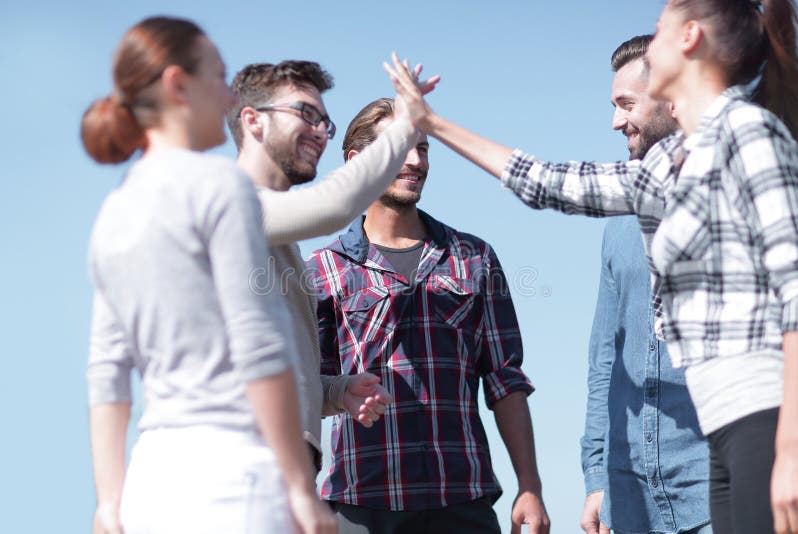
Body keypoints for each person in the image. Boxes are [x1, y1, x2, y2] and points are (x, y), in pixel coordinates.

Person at [385, 0, 798, 530]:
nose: (651, 44)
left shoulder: (749, 131)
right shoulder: (671, 164)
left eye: (658, 30)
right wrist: (433, 124)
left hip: (766, 415)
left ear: (690, 37)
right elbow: (550, 182)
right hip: (725, 426)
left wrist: (791, 443)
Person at [81, 17, 335, 534]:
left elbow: (106, 367)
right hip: (238, 477)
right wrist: (298, 486)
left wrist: (109, 502)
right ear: (178, 84)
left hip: (151, 484)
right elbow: (258, 343)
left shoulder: (116, 209)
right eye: (217, 76)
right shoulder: (221, 186)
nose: (225, 97)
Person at [305, 97, 550, 534]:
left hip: (461, 503)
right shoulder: (323, 271)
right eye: (402, 148)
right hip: (359, 506)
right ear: (357, 161)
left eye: (423, 148)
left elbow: (505, 378)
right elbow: (306, 392)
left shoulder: (474, 257)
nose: (416, 161)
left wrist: (529, 485)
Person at [226, 60, 438, 472]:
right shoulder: (233, 205)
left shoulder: (277, 234)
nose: (321, 131)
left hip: (281, 464)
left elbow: (274, 368)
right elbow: (336, 205)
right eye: (306, 114)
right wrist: (404, 123)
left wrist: (338, 392)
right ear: (252, 121)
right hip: (243, 463)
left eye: (325, 120)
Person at [580, 35, 710, 534]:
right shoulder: (618, 219)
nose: (616, 122)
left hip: (715, 483)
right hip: (631, 494)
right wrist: (597, 475)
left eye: (626, 104)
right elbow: (604, 359)